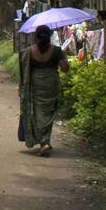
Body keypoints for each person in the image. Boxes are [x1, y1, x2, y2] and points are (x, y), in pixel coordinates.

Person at [19, 23, 69, 156]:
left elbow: (25, 71)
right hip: (52, 84)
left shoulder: (29, 51)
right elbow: (65, 69)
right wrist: (62, 56)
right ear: (50, 36)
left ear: (36, 36)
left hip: (36, 84)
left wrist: (21, 88)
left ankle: (44, 141)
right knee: (49, 111)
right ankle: (45, 140)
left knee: (38, 113)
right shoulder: (57, 51)